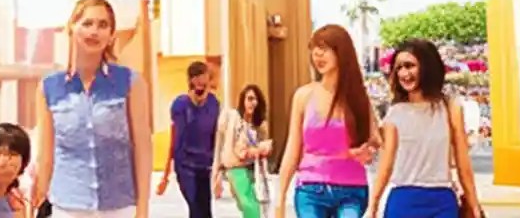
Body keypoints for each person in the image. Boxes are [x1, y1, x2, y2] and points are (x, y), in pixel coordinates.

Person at [33, 0, 152, 218]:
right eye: (87, 23)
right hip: (67, 206)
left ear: (111, 36)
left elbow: (142, 148)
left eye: (103, 25)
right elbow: (46, 155)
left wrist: (143, 208)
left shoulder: (130, 83)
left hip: (119, 206)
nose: (94, 31)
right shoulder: (49, 88)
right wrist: (38, 195)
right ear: (72, 28)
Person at [367, 39, 483, 218]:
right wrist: (372, 206)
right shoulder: (395, 113)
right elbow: (386, 164)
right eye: (399, 68)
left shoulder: (450, 107)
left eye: (410, 65)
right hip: (403, 201)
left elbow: (462, 162)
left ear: (427, 67)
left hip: (442, 201)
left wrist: (474, 204)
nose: (404, 73)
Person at [275, 24, 381, 218]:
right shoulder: (304, 96)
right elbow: (292, 148)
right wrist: (280, 198)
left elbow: (376, 140)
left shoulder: (358, 99)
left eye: (324, 48)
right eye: (314, 49)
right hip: (310, 189)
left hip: (352, 189)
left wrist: (368, 151)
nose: (318, 55)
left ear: (341, 52)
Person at [158, 61, 220, 218]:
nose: (200, 82)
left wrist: (219, 169)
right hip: (185, 166)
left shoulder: (214, 104)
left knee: (205, 211)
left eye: (203, 77)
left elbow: (217, 137)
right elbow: (175, 139)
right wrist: (166, 175)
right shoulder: (180, 105)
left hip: (205, 165)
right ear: (190, 81)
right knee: (195, 207)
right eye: (196, 78)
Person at [213, 84, 273, 218]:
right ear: (243, 101)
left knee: (256, 207)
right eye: (250, 99)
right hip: (236, 169)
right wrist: (217, 173)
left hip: (255, 170)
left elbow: (264, 148)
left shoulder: (260, 125)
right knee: (250, 207)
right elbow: (236, 150)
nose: (253, 103)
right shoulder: (235, 119)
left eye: (256, 100)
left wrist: (263, 149)